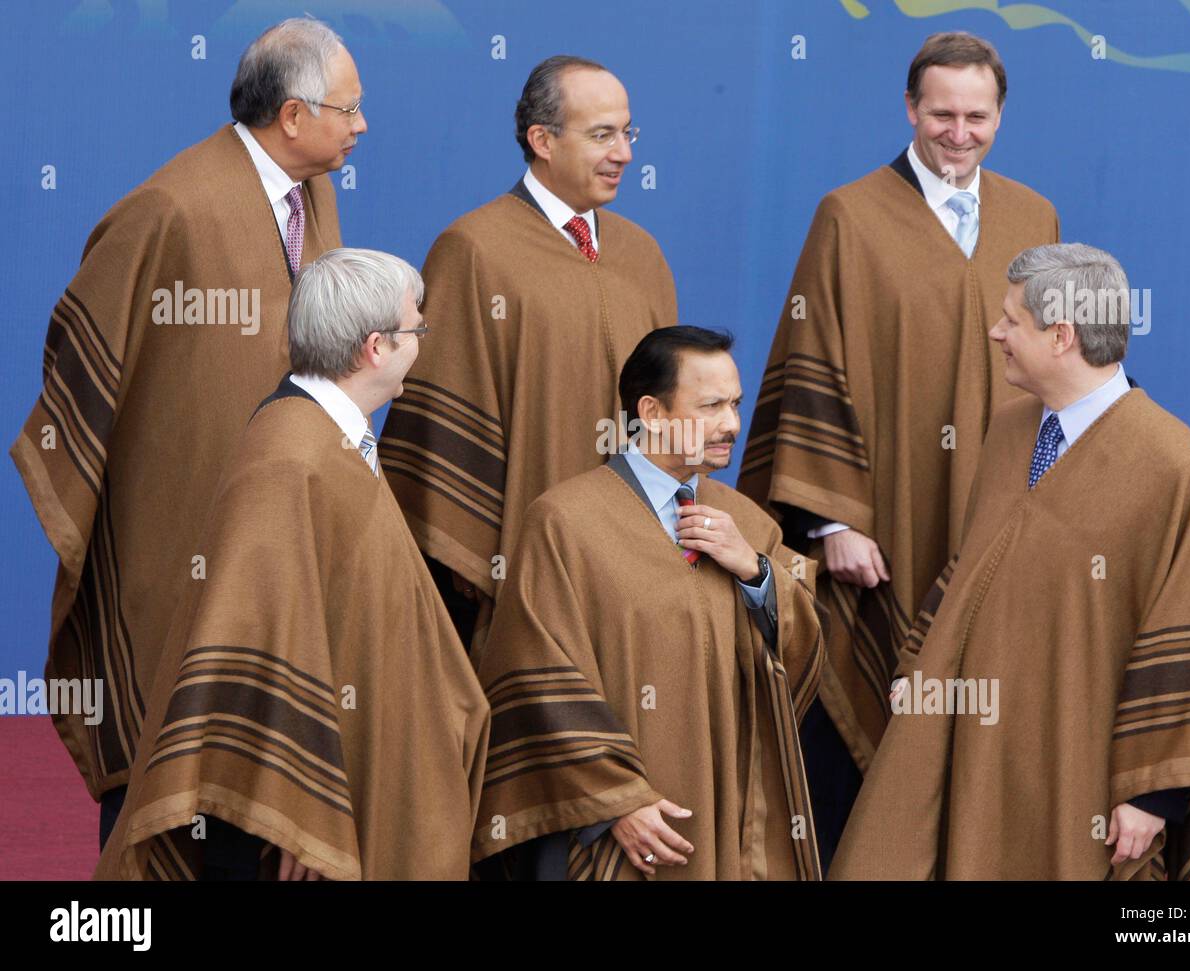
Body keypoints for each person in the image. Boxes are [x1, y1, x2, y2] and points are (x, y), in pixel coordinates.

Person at [829, 243, 1190, 880]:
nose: (995, 332)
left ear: (1061, 335)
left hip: (1080, 765)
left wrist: (1151, 794)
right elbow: (974, 566)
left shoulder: (1170, 464)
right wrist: (922, 665)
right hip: (974, 739)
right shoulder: (1011, 428)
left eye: (1011, 320)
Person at [10, 16, 363, 844]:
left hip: (285, 526)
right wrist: (153, 464)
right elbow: (82, 343)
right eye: (349, 109)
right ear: (293, 116)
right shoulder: (169, 209)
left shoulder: (315, 192)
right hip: (182, 532)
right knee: (168, 752)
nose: (361, 125)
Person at [736, 31, 1059, 862]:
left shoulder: (1034, 218)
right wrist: (830, 520)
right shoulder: (848, 216)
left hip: (996, 524)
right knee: (860, 738)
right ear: (910, 109)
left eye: (976, 115)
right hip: (878, 532)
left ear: (1002, 115)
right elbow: (813, 364)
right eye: (941, 112)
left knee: (987, 727)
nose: (959, 132)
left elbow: (1060, 369)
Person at [95, 249, 490, 880]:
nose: (424, 344)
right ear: (375, 348)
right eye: (417, 330)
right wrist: (297, 810)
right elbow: (248, 643)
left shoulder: (330, 436)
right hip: (290, 821)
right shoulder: (292, 458)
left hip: (360, 766)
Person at [472, 327, 823, 880]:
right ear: (653, 413)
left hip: (720, 828)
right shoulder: (565, 521)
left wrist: (755, 571)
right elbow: (533, 673)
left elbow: (802, 658)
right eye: (710, 406)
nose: (732, 424)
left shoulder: (749, 524)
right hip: (609, 832)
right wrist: (617, 799)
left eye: (735, 403)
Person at [379, 54, 677, 651]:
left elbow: (675, 409)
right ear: (542, 140)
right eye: (602, 135)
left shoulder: (643, 256)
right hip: (518, 564)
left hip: (638, 563)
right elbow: (441, 433)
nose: (624, 153)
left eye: (627, 133)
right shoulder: (474, 249)